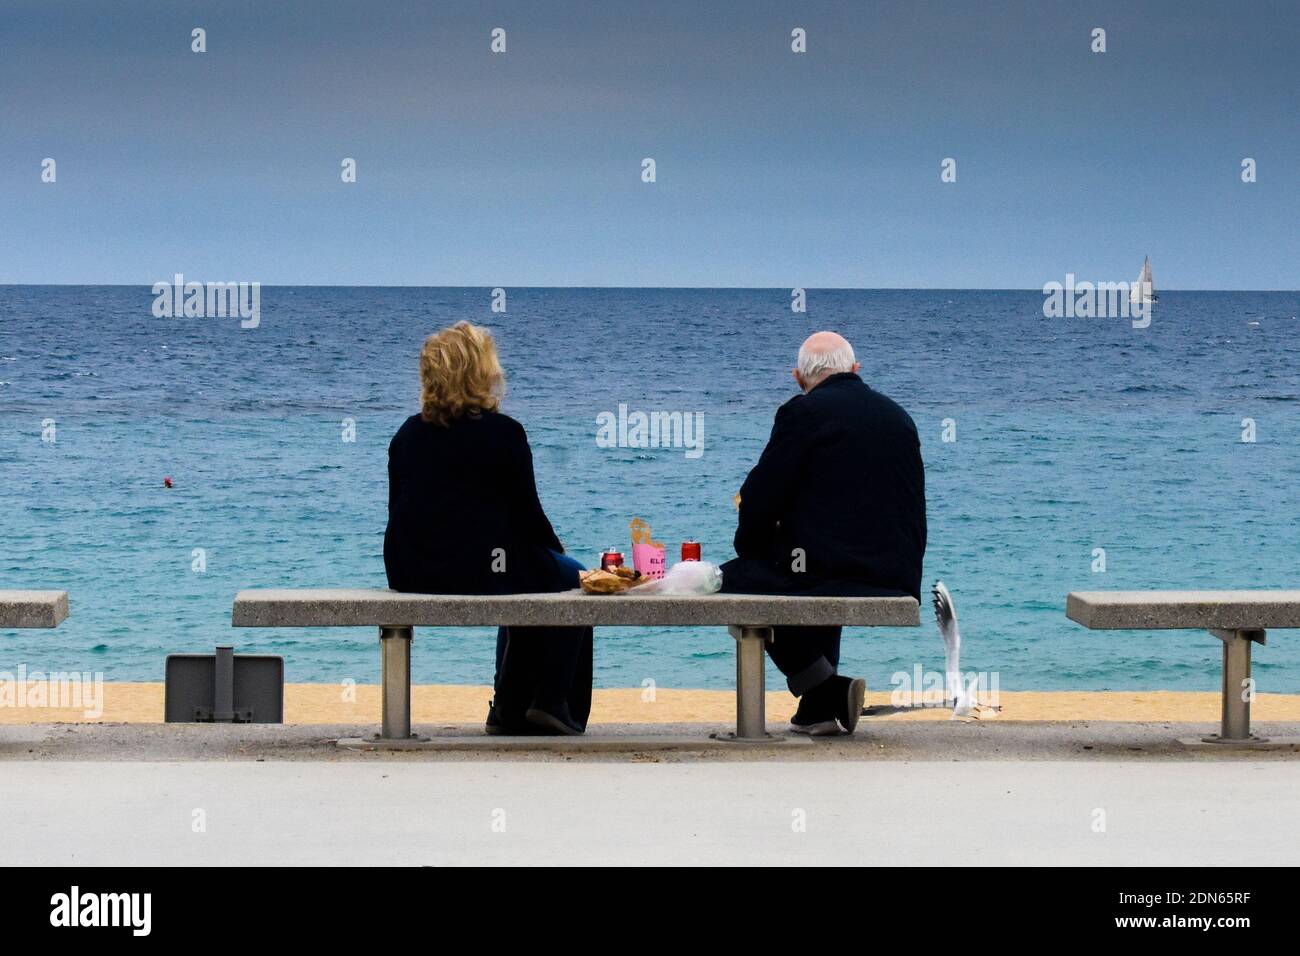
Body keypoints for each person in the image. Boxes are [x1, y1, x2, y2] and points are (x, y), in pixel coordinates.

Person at [383, 321, 591, 736]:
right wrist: (563, 560)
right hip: (488, 567)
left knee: (526, 574)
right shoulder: (505, 434)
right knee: (569, 579)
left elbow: (400, 514)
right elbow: (528, 516)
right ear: (480, 373)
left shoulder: (406, 435)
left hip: (413, 571)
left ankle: (509, 707)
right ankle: (551, 701)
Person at [721, 331, 926, 736]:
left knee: (727, 581)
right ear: (855, 370)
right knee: (811, 566)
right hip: (895, 576)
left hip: (832, 571)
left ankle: (826, 690)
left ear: (798, 377)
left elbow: (761, 499)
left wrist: (750, 551)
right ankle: (816, 710)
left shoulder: (803, 413)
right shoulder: (898, 416)